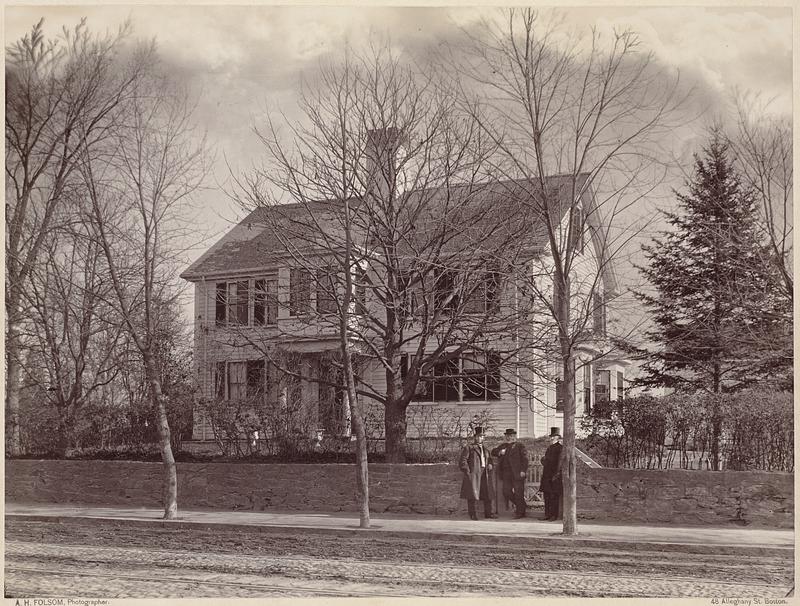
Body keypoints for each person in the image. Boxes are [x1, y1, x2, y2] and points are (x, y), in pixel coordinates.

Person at [459, 426, 497, 520]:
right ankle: (473, 514)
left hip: (485, 473)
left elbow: (490, 460)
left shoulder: (486, 450)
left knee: (486, 493)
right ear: (475, 437)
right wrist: (468, 472)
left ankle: (488, 513)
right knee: (473, 494)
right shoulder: (469, 448)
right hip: (474, 473)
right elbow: (462, 461)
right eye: (479, 436)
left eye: (482, 436)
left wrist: (491, 464)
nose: (480, 438)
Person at [491, 428, 528, 519]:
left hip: (517, 473)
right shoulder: (503, 446)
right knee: (506, 492)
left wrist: (523, 470)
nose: (509, 437)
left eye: (511, 435)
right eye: (507, 436)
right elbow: (493, 452)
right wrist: (500, 452)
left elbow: (525, 459)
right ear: (506, 436)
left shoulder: (520, 446)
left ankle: (520, 512)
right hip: (506, 473)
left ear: (514, 436)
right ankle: (522, 506)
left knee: (519, 492)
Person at [540, 427, 563, 521]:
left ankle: (554, 515)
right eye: (551, 437)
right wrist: (543, 460)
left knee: (554, 496)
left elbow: (560, 463)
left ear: (557, 437)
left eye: (553, 437)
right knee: (547, 496)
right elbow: (546, 461)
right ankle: (547, 514)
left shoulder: (560, 448)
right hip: (547, 475)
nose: (551, 438)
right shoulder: (549, 448)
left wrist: (556, 474)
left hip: (554, 476)